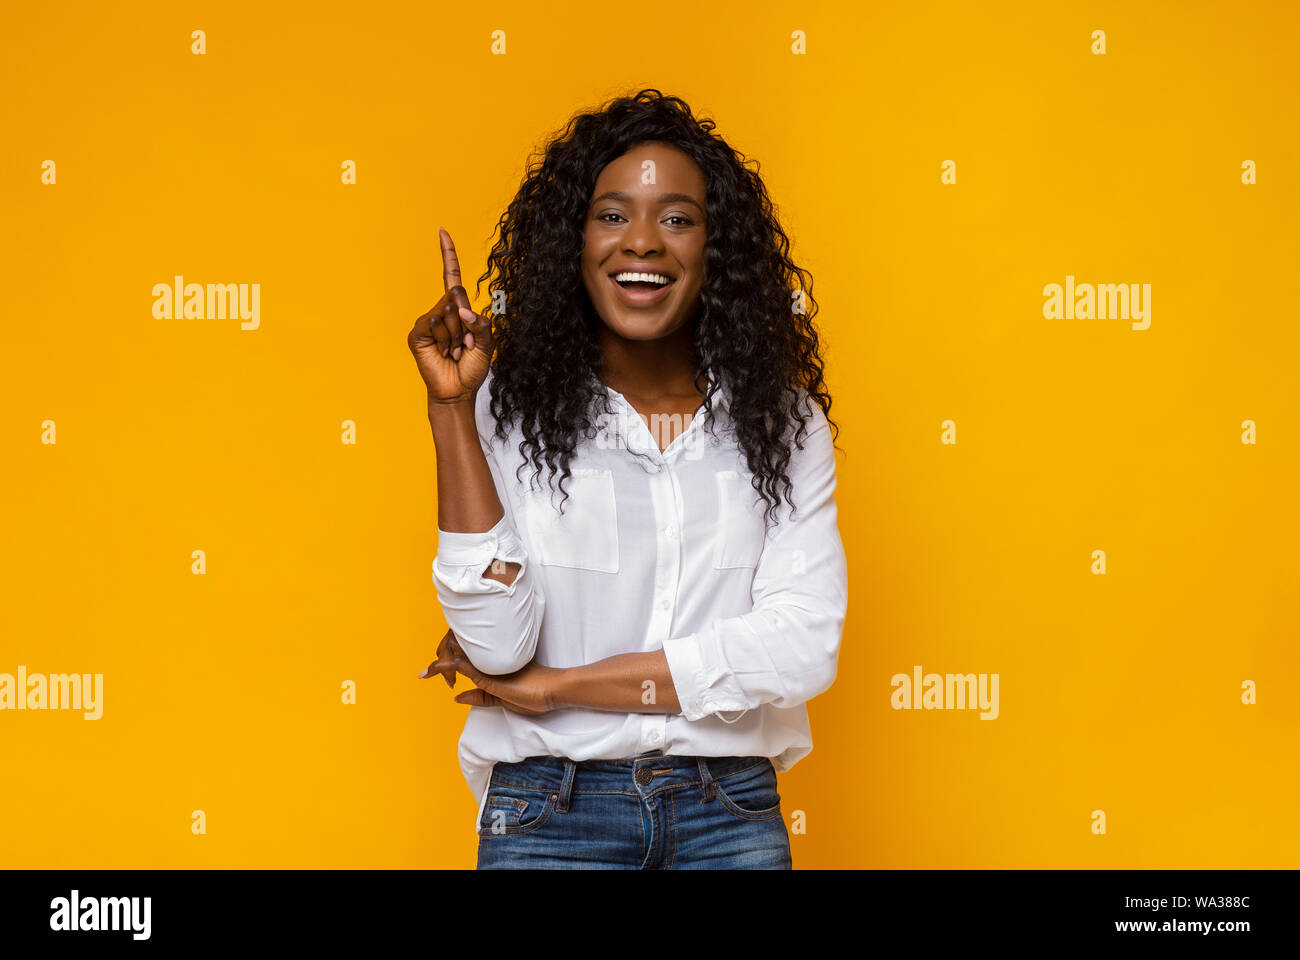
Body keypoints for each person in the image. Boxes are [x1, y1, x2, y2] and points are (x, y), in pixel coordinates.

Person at [407, 89, 848, 869]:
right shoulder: (504, 410)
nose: (642, 242)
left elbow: (802, 646)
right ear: (572, 242)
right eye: (612, 215)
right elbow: (496, 648)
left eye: (677, 218)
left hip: (729, 816)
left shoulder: (783, 422)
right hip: (551, 816)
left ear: (719, 249)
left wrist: (564, 687)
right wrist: (452, 408)